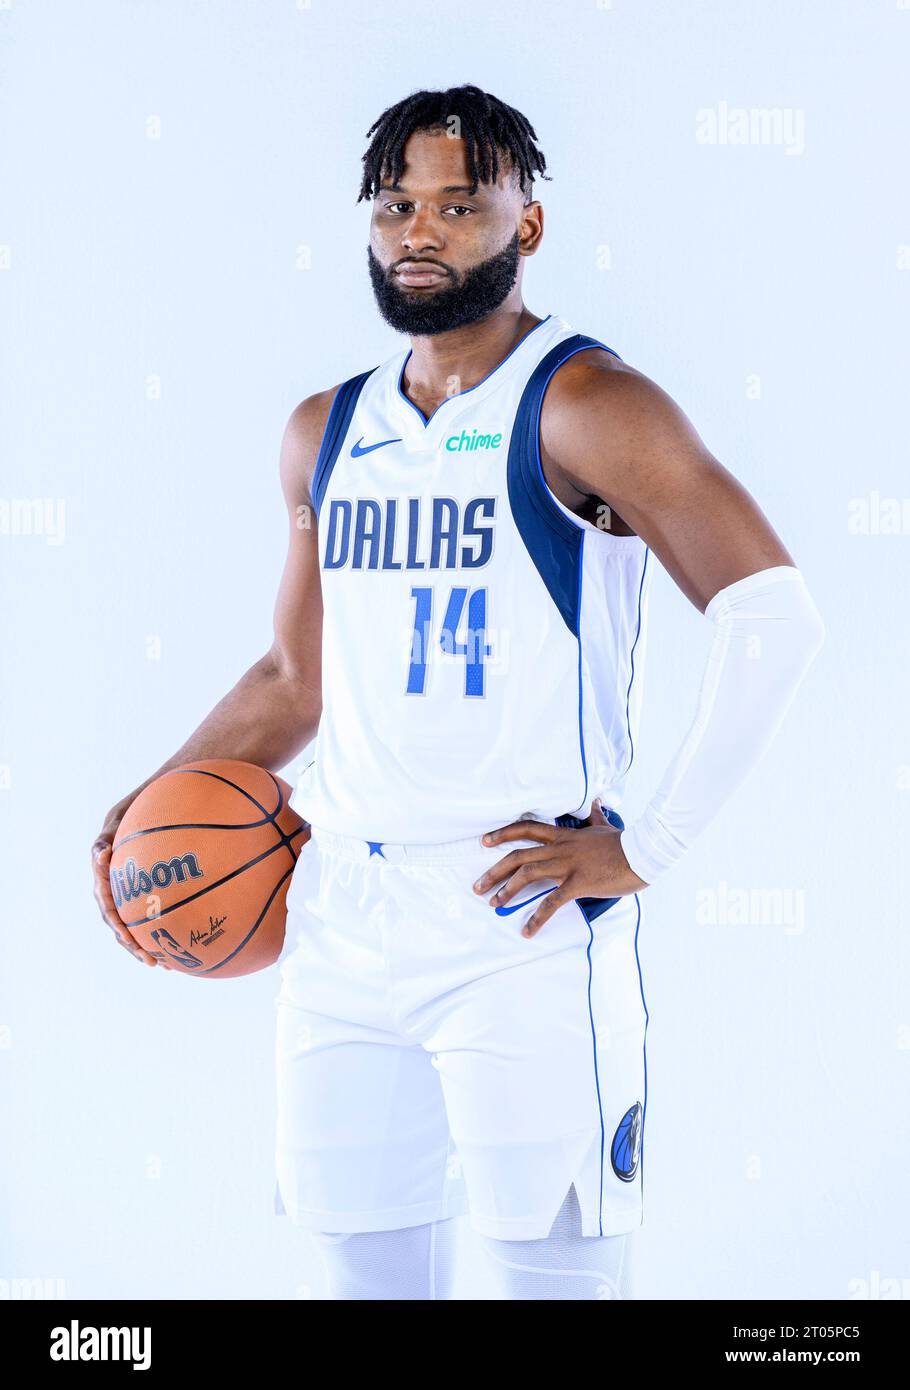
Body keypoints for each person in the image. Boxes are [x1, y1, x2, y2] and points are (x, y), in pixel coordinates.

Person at [92, 84, 824, 1300]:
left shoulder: (587, 405)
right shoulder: (324, 429)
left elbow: (772, 618)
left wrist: (647, 844)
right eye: (395, 206)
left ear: (524, 226)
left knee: (552, 1286)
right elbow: (294, 678)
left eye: (458, 205)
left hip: (520, 921)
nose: (419, 233)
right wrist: (148, 803)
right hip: (338, 912)